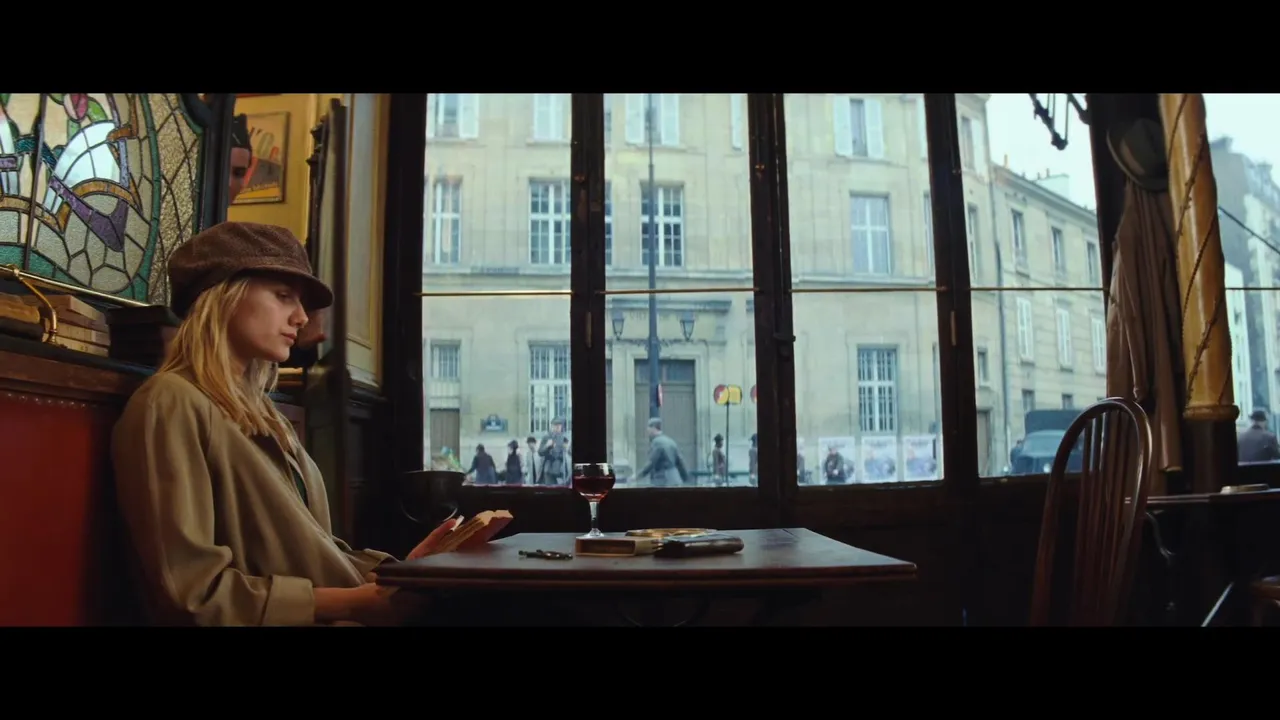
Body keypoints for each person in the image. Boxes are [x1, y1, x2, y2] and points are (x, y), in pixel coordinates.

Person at [111, 221, 450, 626]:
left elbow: (307, 548)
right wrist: (353, 603)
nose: (302, 317)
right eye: (283, 295)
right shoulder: (170, 403)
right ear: (224, 296)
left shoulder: (262, 412)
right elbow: (190, 595)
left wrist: (400, 572)